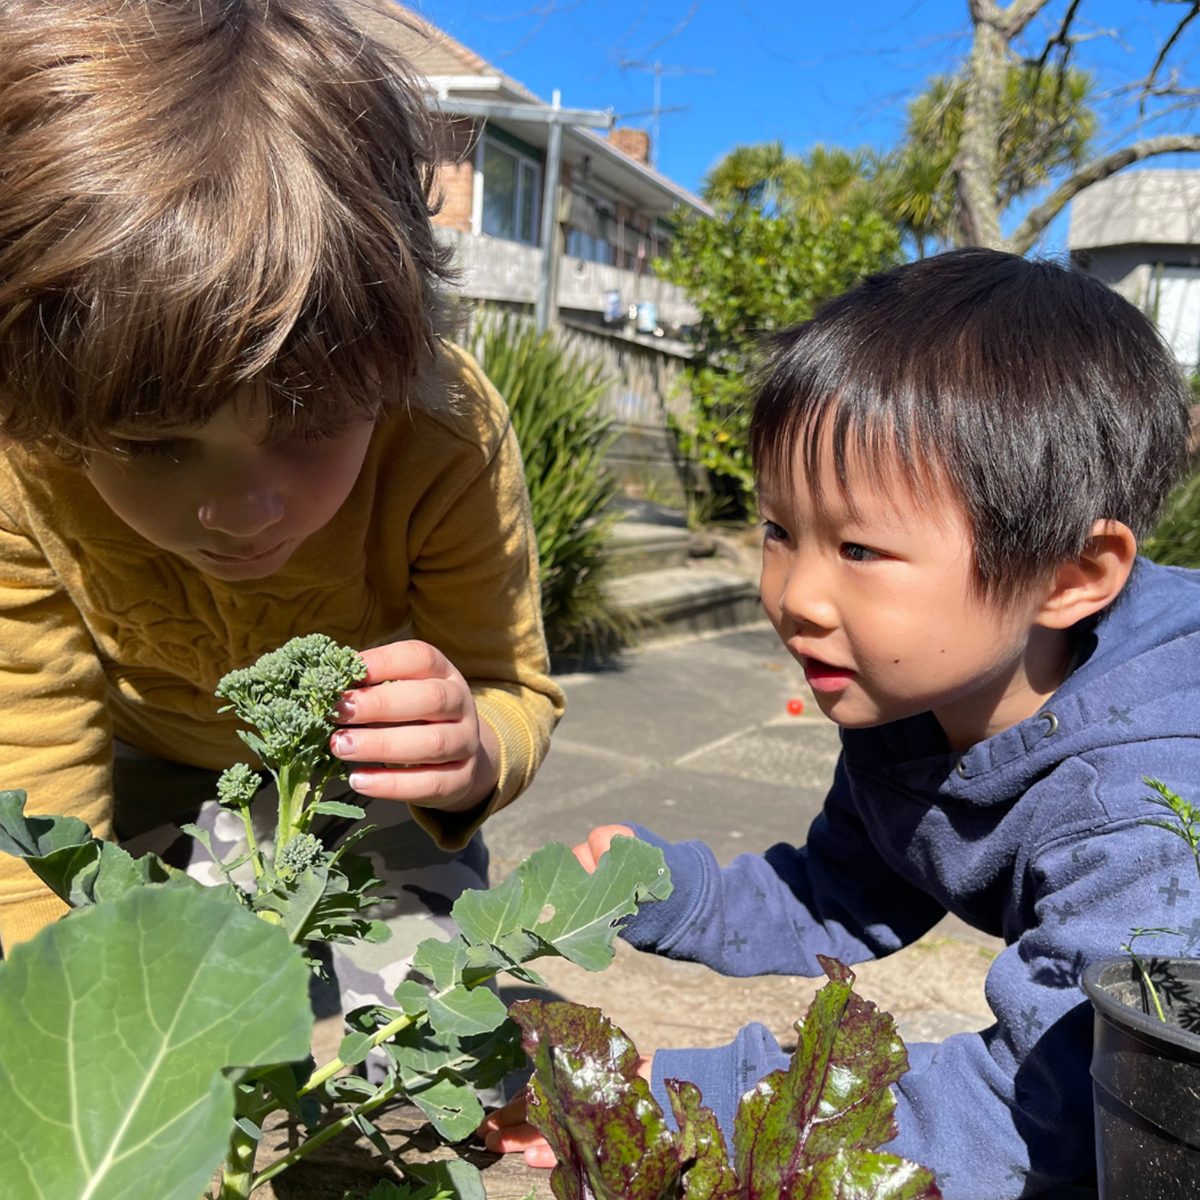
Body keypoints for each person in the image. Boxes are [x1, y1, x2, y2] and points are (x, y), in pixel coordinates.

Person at [482, 248, 1200, 1198]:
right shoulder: (908, 696)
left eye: (860, 547)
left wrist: (704, 1104)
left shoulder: (1144, 816)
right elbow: (850, 891)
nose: (796, 596)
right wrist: (673, 893)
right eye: (781, 530)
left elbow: (1055, 1105)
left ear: (1070, 576)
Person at [0, 0, 563, 1020]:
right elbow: (31, 749)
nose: (244, 509)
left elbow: (512, 686)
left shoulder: (444, 433)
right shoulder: (28, 454)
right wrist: (52, 1010)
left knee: (397, 1063)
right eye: (156, 445)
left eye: (311, 425)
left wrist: (473, 747)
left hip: (366, 796)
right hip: (140, 765)